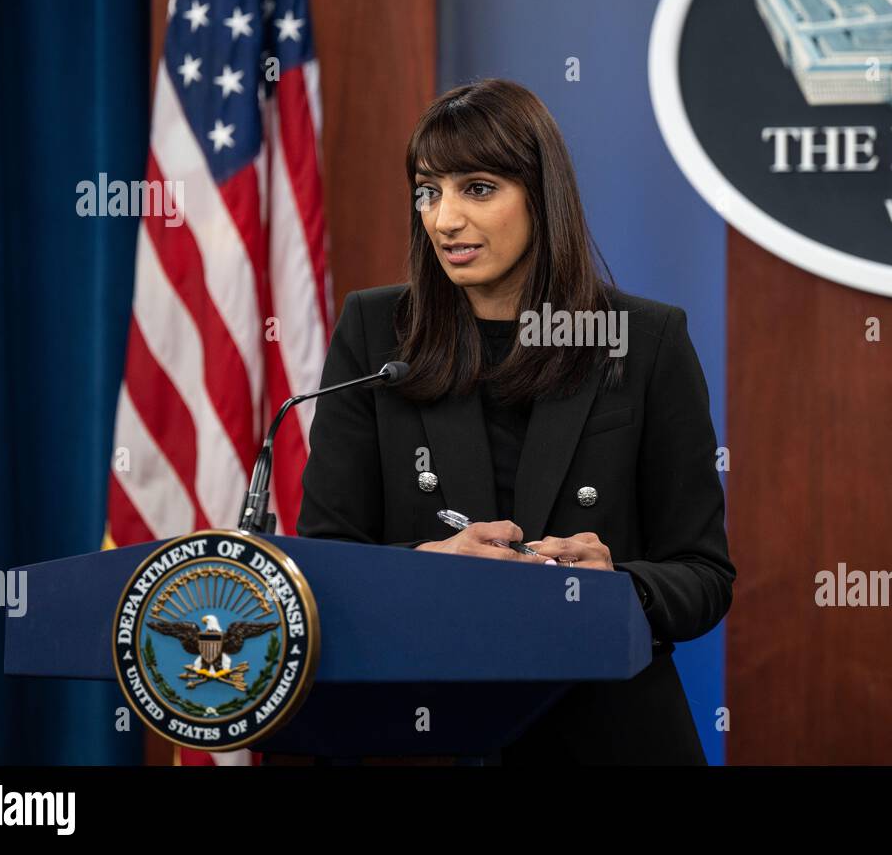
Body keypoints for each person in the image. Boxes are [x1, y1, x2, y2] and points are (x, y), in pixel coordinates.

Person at [297, 78, 735, 764]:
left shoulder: (643, 340)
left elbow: (704, 577)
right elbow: (324, 564)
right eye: (427, 191)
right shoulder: (375, 333)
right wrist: (429, 565)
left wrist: (618, 581)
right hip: (423, 733)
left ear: (542, 194)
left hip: (605, 735)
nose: (443, 219)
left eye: (476, 188)